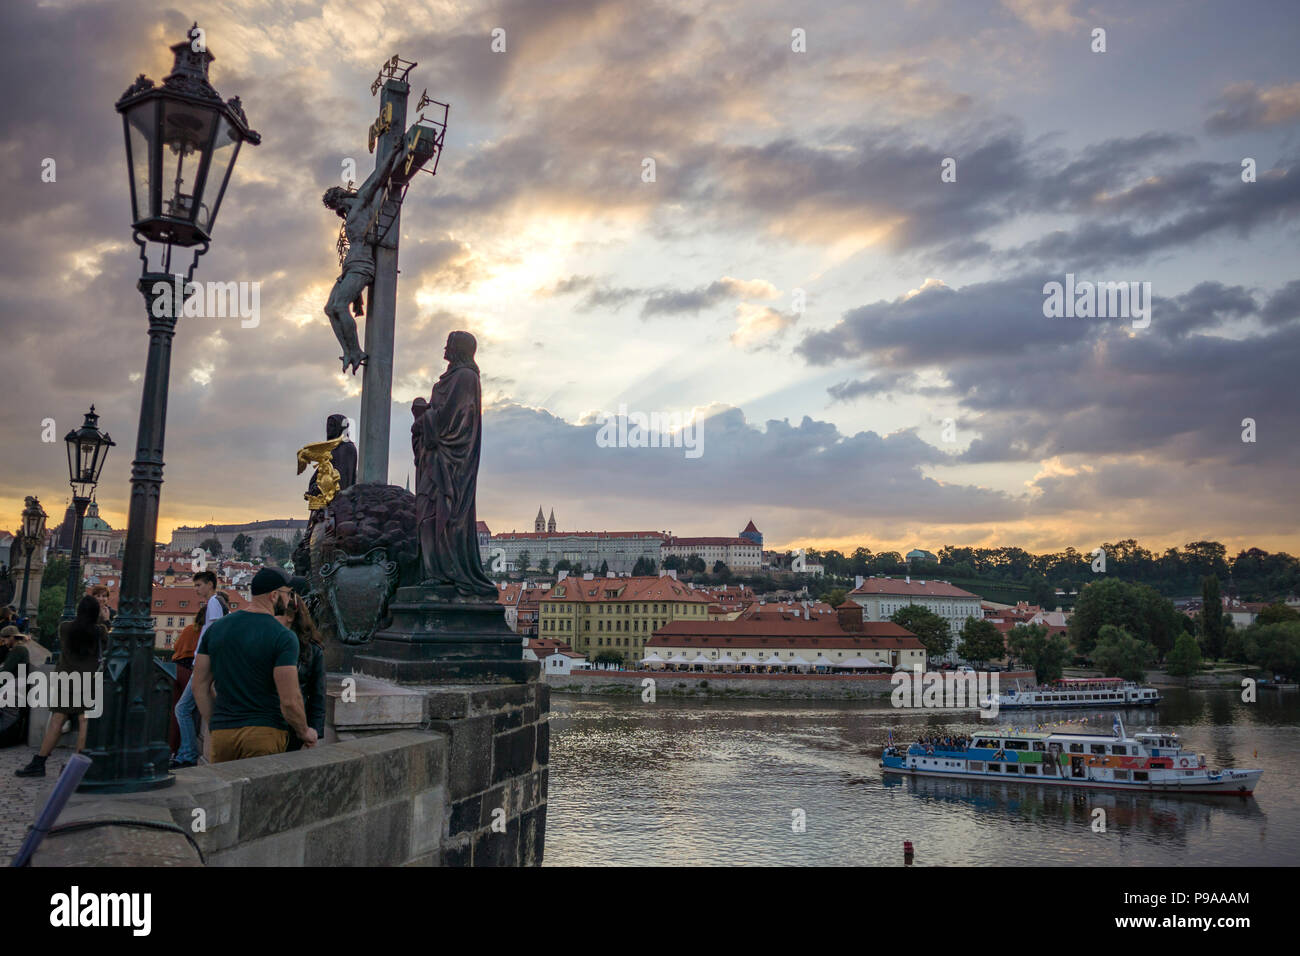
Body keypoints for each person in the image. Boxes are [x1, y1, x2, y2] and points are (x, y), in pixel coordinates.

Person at [191, 567, 317, 762]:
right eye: (288, 594)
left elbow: (199, 686)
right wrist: (304, 731)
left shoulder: (217, 628)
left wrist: (216, 724)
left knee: (226, 792)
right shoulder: (283, 636)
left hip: (223, 735)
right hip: (264, 732)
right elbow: (290, 700)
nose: (290, 599)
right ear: (274, 595)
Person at [14, 596, 105, 777]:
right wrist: (104, 618)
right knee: (84, 721)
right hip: (89, 680)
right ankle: (77, 767)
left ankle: (39, 762)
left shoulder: (65, 628)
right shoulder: (100, 631)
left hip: (66, 678)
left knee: (57, 720)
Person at [171, 570, 225, 769]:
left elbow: (213, 633)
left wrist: (202, 661)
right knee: (190, 707)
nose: (196, 589)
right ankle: (189, 751)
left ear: (210, 584)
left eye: (199, 585)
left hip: (204, 663)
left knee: (182, 708)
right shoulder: (215, 602)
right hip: (204, 662)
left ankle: (187, 753)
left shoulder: (213, 603)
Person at [281, 581, 326, 752]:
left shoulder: (313, 650)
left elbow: (318, 694)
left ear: (291, 616)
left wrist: (314, 731)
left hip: (294, 726)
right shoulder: (269, 641)